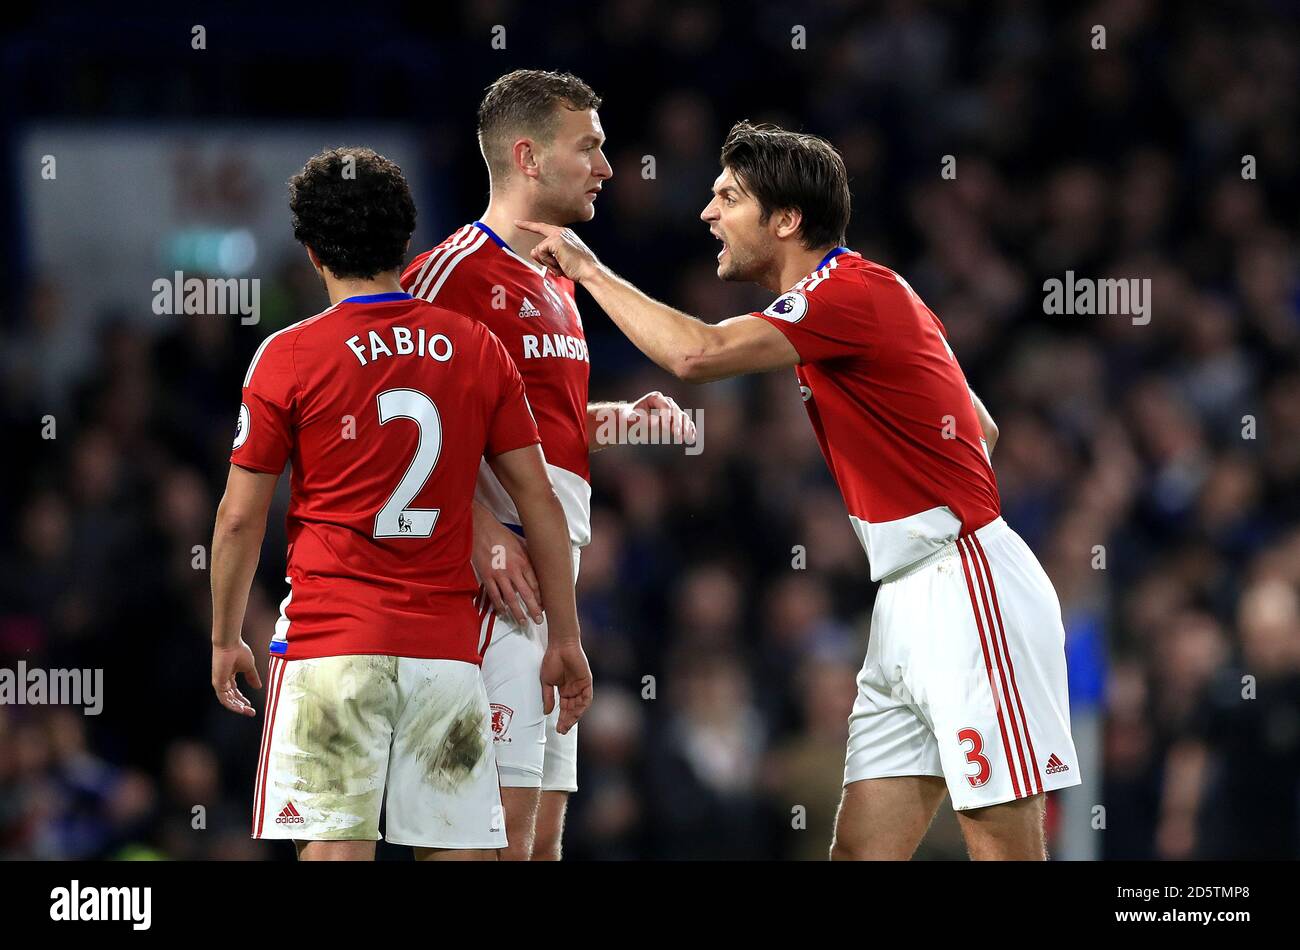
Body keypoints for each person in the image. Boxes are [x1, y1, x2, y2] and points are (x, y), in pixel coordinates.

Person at [519, 121, 1081, 860]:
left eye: (728, 197)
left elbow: (695, 354)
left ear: (786, 220)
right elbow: (982, 429)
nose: (708, 214)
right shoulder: (872, 294)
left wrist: (589, 272)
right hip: (909, 598)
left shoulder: (846, 291)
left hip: (965, 585)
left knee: (1000, 848)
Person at [208, 146, 592, 861]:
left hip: (331, 642)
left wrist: (225, 636)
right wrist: (565, 638)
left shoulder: (288, 356)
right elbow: (538, 498)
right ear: (406, 245)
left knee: (334, 851)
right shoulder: (476, 347)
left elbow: (237, 518)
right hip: (445, 653)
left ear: (312, 251)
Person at [401, 69, 694, 860]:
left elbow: (520, 423)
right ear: (527, 157)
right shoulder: (450, 272)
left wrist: (611, 421)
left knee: (538, 843)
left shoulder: (558, 278)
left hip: (549, 587)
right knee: (489, 841)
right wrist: (471, 530)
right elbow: (390, 416)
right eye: (590, 148)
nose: (607, 166)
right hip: (491, 584)